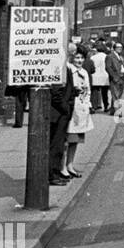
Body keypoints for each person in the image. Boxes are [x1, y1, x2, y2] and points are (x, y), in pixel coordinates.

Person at [62, 50, 93, 178]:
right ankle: (62, 166)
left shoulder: (84, 72)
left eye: (81, 58)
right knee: (66, 140)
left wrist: (88, 104)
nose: (79, 61)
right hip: (71, 109)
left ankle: (70, 164)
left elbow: (88, 90)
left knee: (75, 140)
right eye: (77, 58)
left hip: (81, 109)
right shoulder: (69, 70)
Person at [48, 52, 75, 187]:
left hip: (61, 113)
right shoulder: (58, 68)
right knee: (56, 145)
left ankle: (56, 172)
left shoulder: (65, 67)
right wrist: (66, 108)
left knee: (59, 144)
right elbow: (56, 93)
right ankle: (52, 174)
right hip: (58, 114)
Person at [106, 44, 124, 114]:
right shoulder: (110, 56)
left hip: (123, 77)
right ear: (114, 48)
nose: (120, 49)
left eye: (121, 47)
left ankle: (113, 110)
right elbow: (108, 67)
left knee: (118, 95)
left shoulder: (121, 56)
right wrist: (114, 77)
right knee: (115, 95)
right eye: (118, 47)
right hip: (116, 78)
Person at [89, 44, 110, 113]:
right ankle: (106, 106)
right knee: (105, 93)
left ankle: (94, 107)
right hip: (105, 76)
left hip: (95, 76)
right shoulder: (107, 57)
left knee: (94, 92)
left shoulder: (93, 57)